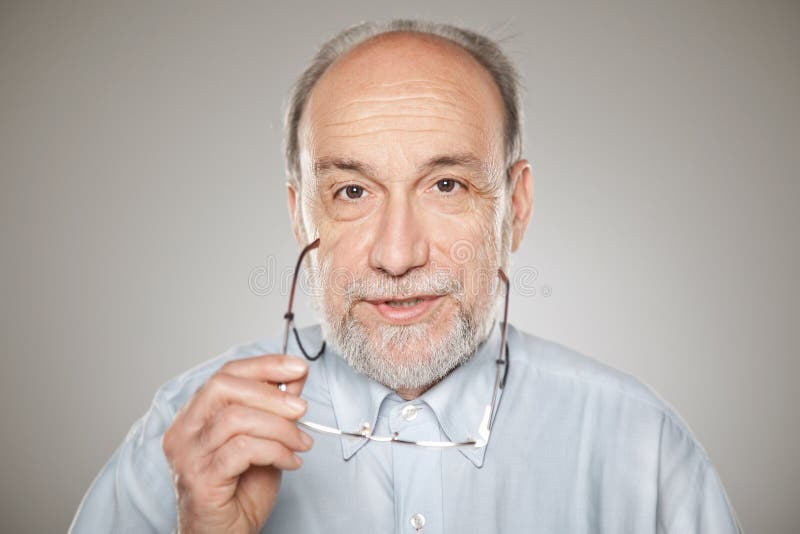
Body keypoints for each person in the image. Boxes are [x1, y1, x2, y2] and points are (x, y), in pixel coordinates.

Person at [70, 19, 743, 533]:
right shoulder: (190, 431)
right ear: (300, 214)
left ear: (516, 209)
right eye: (352, 193)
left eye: (446, 184)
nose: (396, 256)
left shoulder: (638, 444)